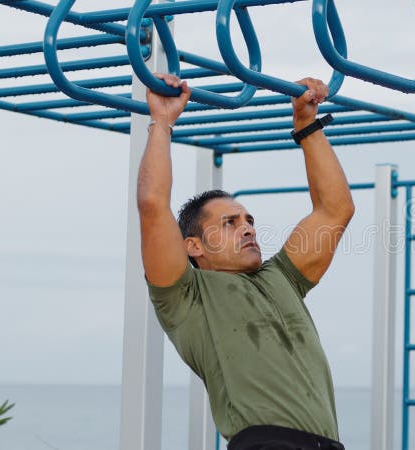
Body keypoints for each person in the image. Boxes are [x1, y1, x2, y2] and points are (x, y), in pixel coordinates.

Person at [137, 73, 354, 450]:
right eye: (230, 222)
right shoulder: (186, 297)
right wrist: (162, 122)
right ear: (193, 246)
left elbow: (335, 210)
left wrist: (306, 124)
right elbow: (153, 207)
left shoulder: (281, 277)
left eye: (249, 220)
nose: (248, 228)